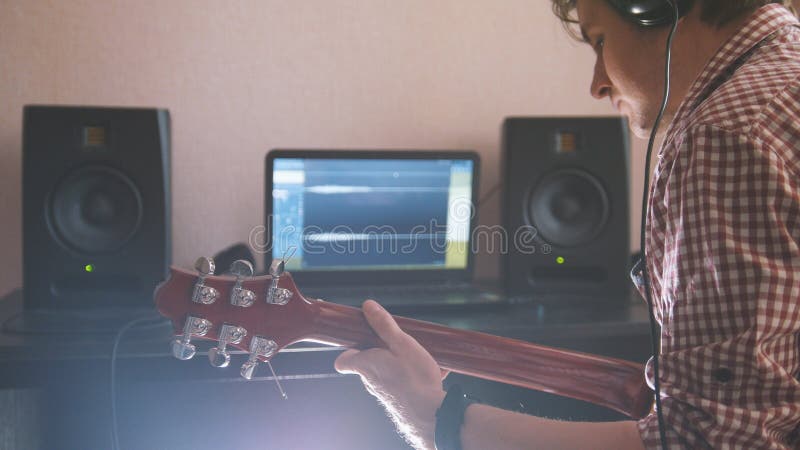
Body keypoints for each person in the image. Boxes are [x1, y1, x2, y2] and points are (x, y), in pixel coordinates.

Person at [334, 0, 800, 448]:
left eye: (599, 41)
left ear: (654, 5)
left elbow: (709, 443)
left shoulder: (726, 135)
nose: (597, 84)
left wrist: (430, 416)